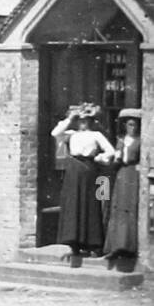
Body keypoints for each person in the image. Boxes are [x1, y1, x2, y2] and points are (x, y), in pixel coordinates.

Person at [51, 102, 114, 264]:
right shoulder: (71, 134)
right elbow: (55, 133)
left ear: (91, 121)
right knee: (73, 205)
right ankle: (74, 243)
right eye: (80, 120)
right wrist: (69, 118)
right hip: (73, 170)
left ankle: (92, 243)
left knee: (89, 205)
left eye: (86, 120)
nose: (83, 123)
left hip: (89, 170)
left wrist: (100, 158)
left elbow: (110, 151)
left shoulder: (96, 135)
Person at [103, 108, 141, 265]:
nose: (132, 128)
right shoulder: (120, 140)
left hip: (132, 173)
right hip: (121, 174)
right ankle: (115, 246)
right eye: (129, 125)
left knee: (129, 208)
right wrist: (116, 158)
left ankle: (128, 246)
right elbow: (115, 160)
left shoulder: (140, 141)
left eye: (134, 125)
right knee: (117, 208)